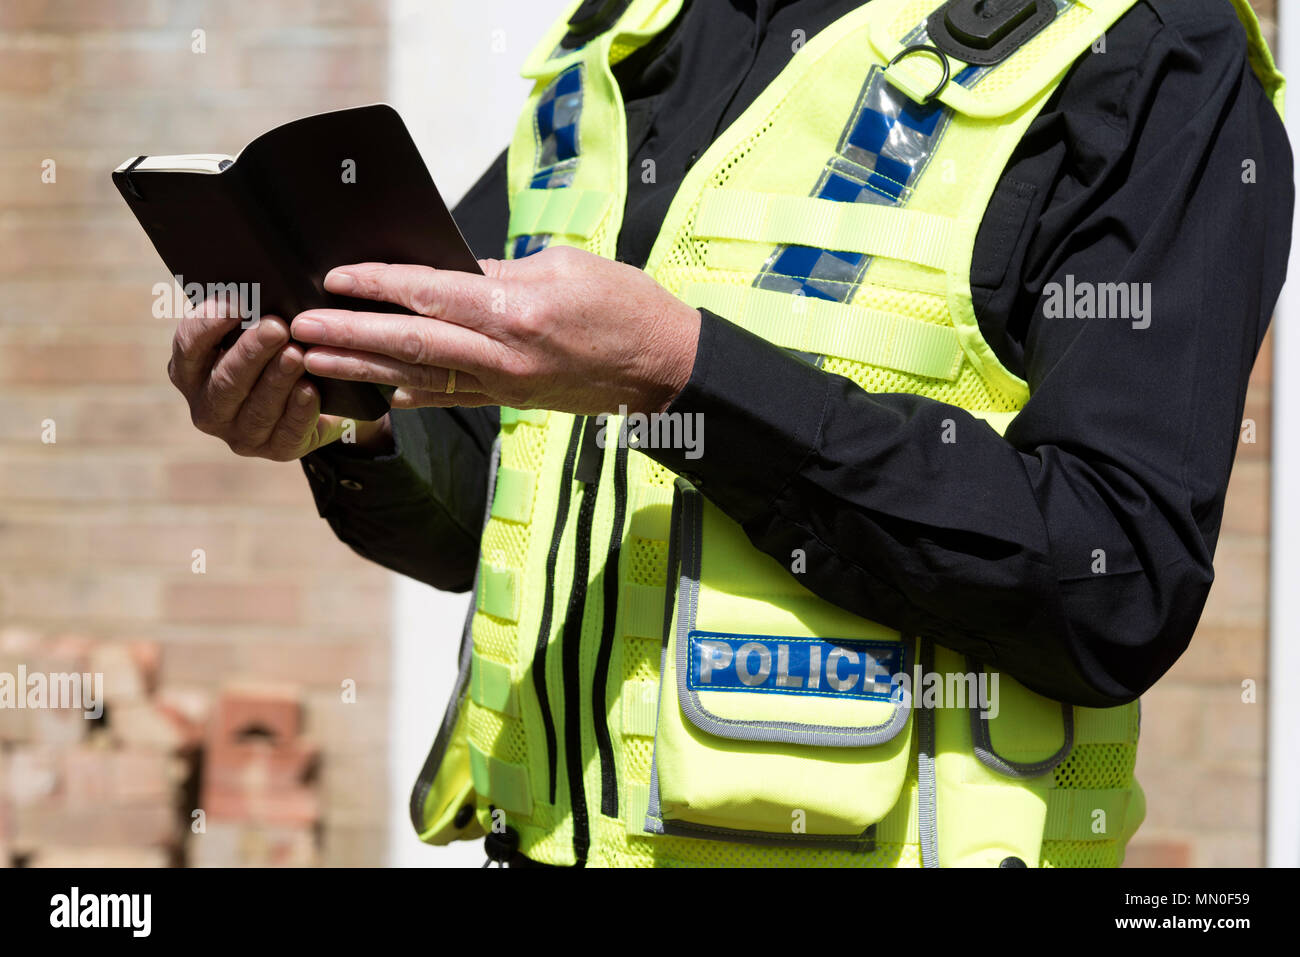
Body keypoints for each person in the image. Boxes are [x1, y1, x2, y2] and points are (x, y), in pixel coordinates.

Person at [166, 0, 1292, 867]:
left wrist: (679, 379)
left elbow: (1117, 579)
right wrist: (340, 418)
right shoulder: (624, 37)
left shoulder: (1146, 53)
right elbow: (485, 504)